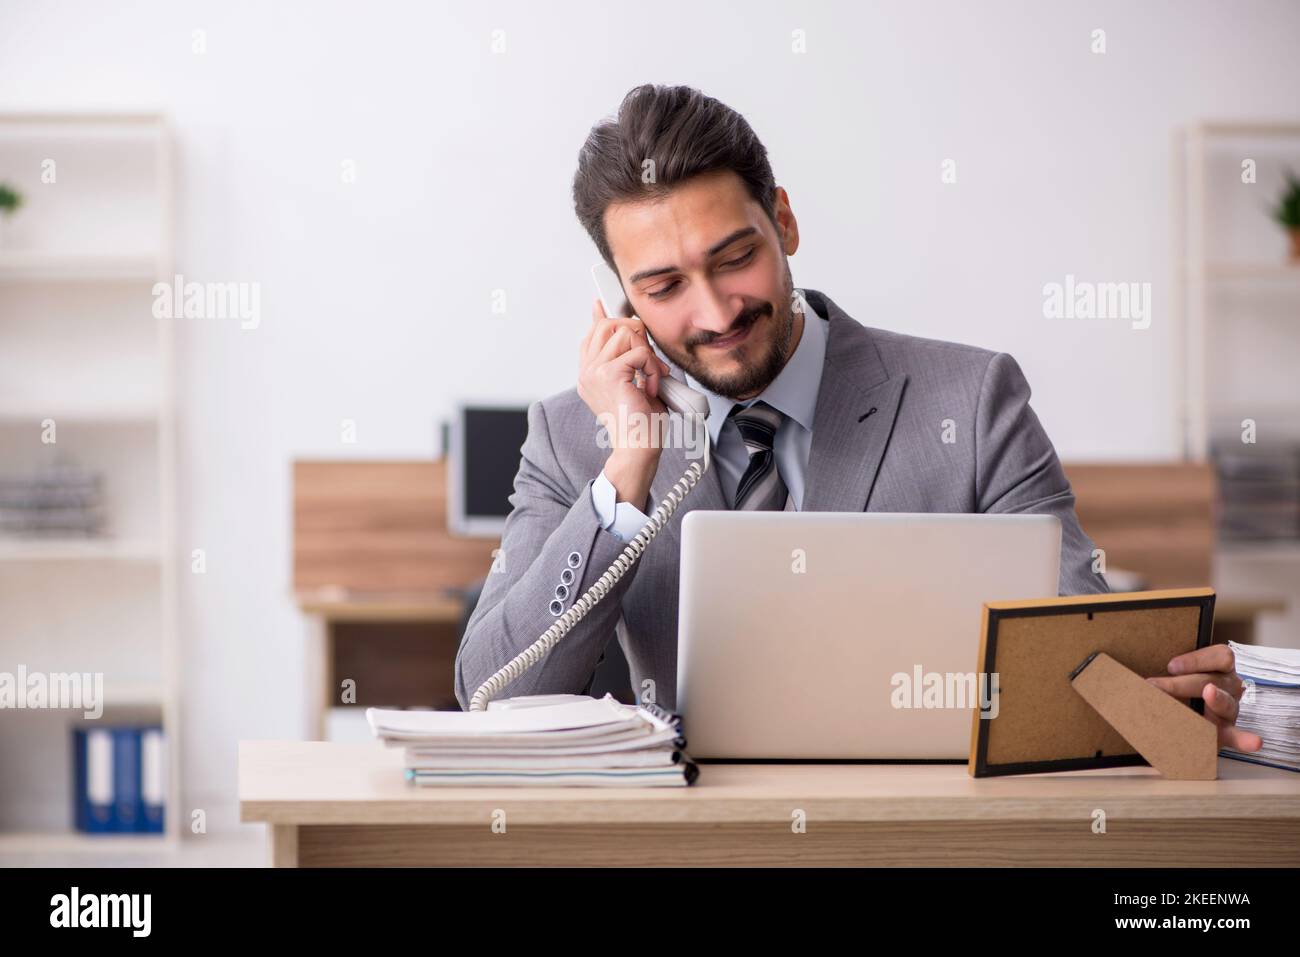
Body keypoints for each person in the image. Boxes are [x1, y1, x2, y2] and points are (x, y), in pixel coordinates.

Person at [454, 83, 1262, 755]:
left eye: (736, 258)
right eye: (664, 287)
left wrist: (1161, 705)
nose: (714, 312)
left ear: (785, 221)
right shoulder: (572, 437)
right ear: (623, 301)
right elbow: (492, 694)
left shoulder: (972, 399)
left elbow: (1081, 650)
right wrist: (629, 464)